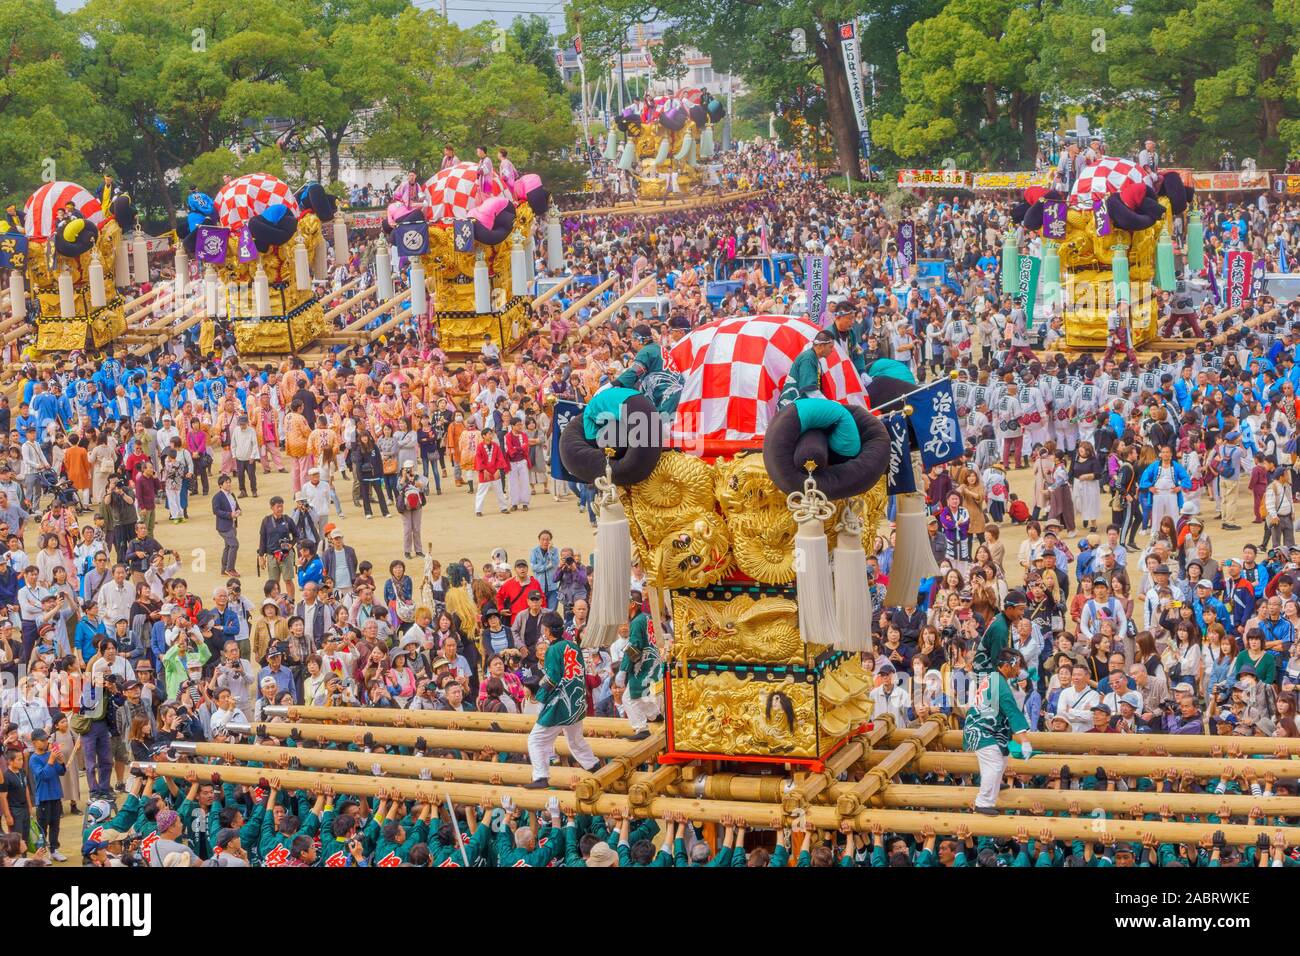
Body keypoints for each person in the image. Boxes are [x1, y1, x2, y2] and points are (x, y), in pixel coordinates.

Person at [524, 612, 601, 787]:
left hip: (560, 704)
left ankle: (540, 776)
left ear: (547, 631)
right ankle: (594, 764)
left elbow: (552, 678)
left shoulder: (552, 650)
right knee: (575, 739)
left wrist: (541, 698)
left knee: (536, 740)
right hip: (577, 700)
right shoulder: (573, 646)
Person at [960, 649, 1032, 815]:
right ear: (1007, 666)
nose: (1019, 668)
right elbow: (1012, 711)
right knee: (994, 763)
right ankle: (983, 802)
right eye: (1017, 665)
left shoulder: (995, 678)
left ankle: (995, 782)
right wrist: (1025, 741)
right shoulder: (999, 683)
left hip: (991, 727)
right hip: (981, 728)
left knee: (1002, 756)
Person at [473, 427, 509, 516]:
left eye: (491, 433)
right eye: (489, 434)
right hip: (484, 473)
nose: (491, 435)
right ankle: (478, 510)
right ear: (484, 436)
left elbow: (500, 458)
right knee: (481, 492)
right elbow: (478, 459)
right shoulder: (480, 447)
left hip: (495, 471)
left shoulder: (495, 445)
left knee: (500, 491)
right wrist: (484, 470)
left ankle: (503, 507)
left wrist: (498, 470)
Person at [211, 473, 241, 577]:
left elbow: (236, 506)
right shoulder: (217, 497)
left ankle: (224, 569)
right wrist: (229, 514)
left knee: (228, 546)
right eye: (226, 483)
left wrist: (238, 511)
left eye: (229, 482)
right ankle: (230, 568)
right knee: (234, 545)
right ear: (220, 485)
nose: (229, 484)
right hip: (224, 526)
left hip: (232, 524)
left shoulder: (232, 495)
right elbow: (216, 511)